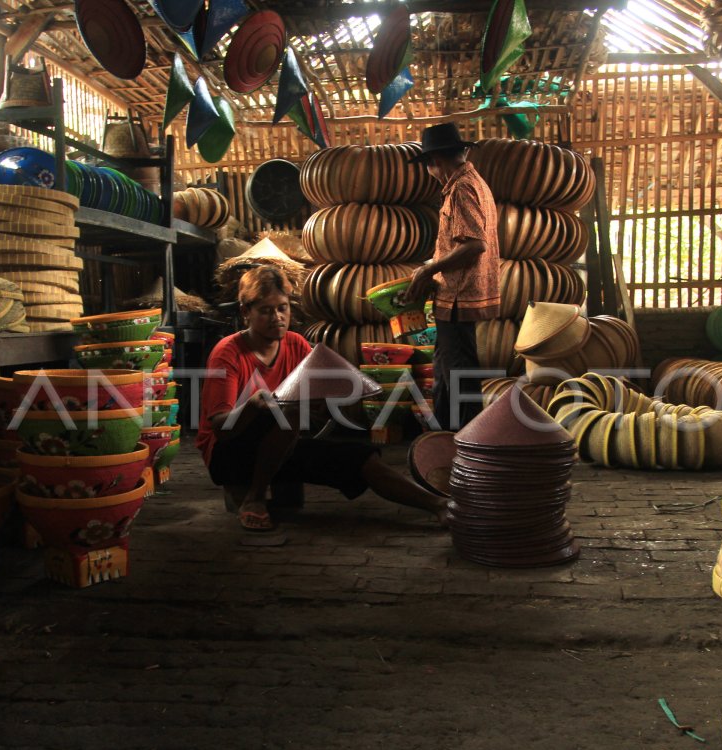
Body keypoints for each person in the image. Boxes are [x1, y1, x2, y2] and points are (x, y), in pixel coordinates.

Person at [196, 264, 448, 540]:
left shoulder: (297, 345)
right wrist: (254, 404)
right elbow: (221, 428)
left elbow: (317, 416)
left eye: (282, 308)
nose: (277, 317)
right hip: (229, 453)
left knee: (360, 459)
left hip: (281, 447)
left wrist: (330, 400)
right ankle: (254, 498)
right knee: (287, 413)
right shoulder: (228, 353)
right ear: (246, 312)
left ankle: (440, 506)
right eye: (266, 310)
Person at [404, 122, 501, 432]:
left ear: (437, 161)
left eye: (428, 165)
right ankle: (445, 430)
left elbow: (474, 244)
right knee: (446, 364)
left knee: (459, 369)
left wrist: (428, 269)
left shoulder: (462, 188)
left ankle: (469, 435)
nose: (430, 172)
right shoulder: (473, 182)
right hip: (455, 293)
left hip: (461, 293)